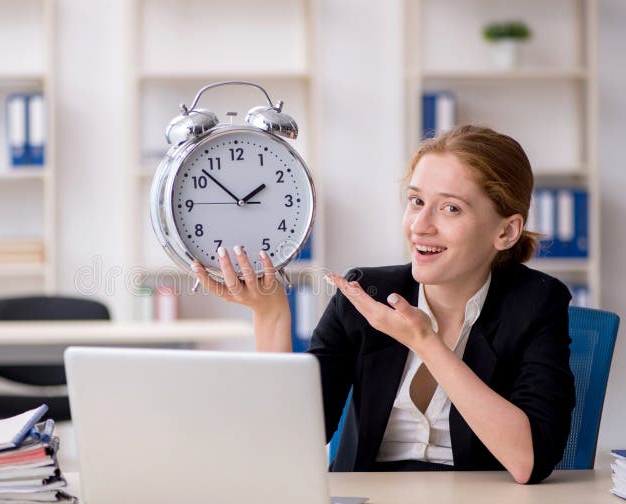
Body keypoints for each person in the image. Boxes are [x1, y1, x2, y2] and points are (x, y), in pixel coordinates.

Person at [190, 124, 575, 485]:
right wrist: (270, 314)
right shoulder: (365, 293)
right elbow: (287, 442)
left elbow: (529, 461)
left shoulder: (538, 302)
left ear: (506, 231)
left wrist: (426, 343)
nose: (420, 225)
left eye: (451, 208)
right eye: (416, 201)